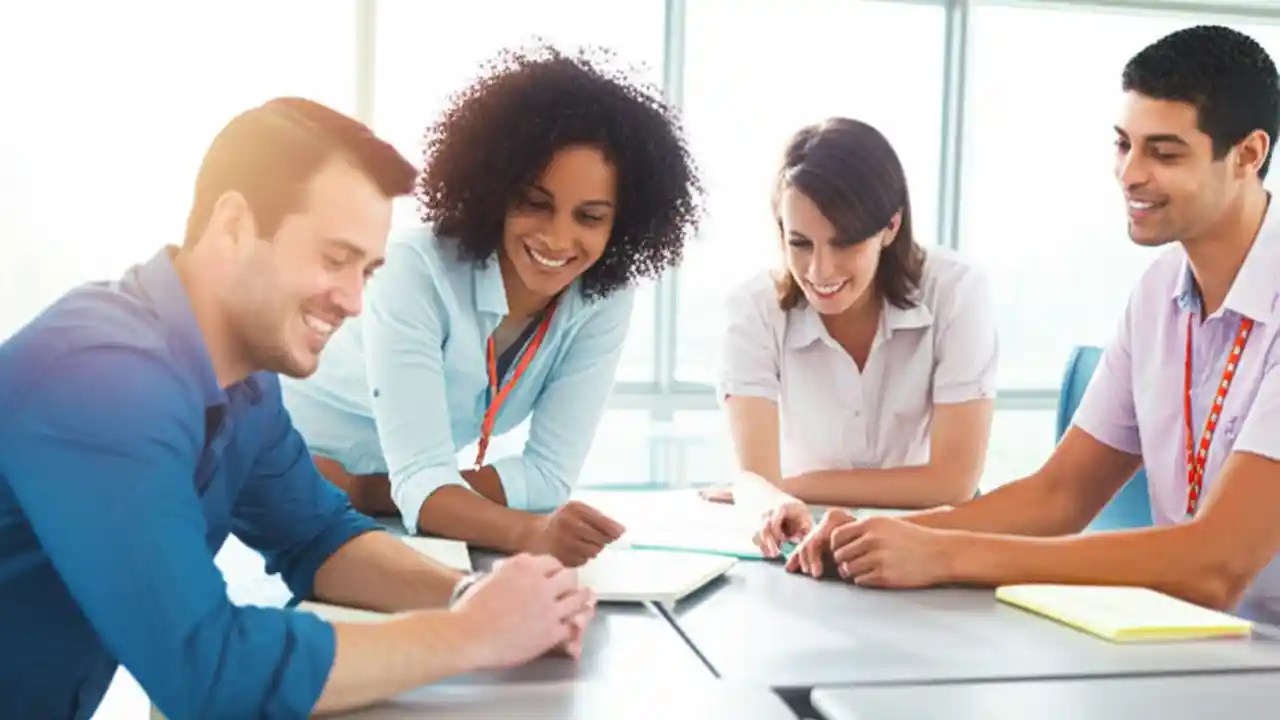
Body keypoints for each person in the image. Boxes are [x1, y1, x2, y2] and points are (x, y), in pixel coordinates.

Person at [0, 97, 594, 719]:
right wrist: (473, 637)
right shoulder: (101, 378)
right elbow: (207, 670)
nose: (353, 301)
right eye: (335, 260)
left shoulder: (245, 386)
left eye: (367, 271)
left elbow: (320, 538)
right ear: (232, 226)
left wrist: (475, 596)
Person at [762, 25, 1280, 626]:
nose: (1129, 174)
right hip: (1195, 645)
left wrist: (943, 553)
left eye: (1163, 153)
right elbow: (1056, 497)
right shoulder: (1159, 293)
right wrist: (878, 533)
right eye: (1122, 145)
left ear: (1248, 155)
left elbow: (1215, 565)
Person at [282, 44, 704, 568]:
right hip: (287, 475)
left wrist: (373, 490)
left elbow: (547, 476)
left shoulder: (603, 298)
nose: (558, 238)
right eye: (535, 203)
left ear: (622, 224)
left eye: (590, 217)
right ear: (495, 189)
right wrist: (532, 531)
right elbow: (425, 486)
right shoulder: (414, 269)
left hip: (379, 504)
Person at [708, 118, 997, 518]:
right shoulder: (754, 308)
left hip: (924, 536)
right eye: (800, 243)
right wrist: (766, 491)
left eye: (844, 243)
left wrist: (789, 487)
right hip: (801, 532)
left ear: (890, 227)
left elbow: (954, 482)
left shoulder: (957, 292)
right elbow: (756, 479)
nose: (820, 271)